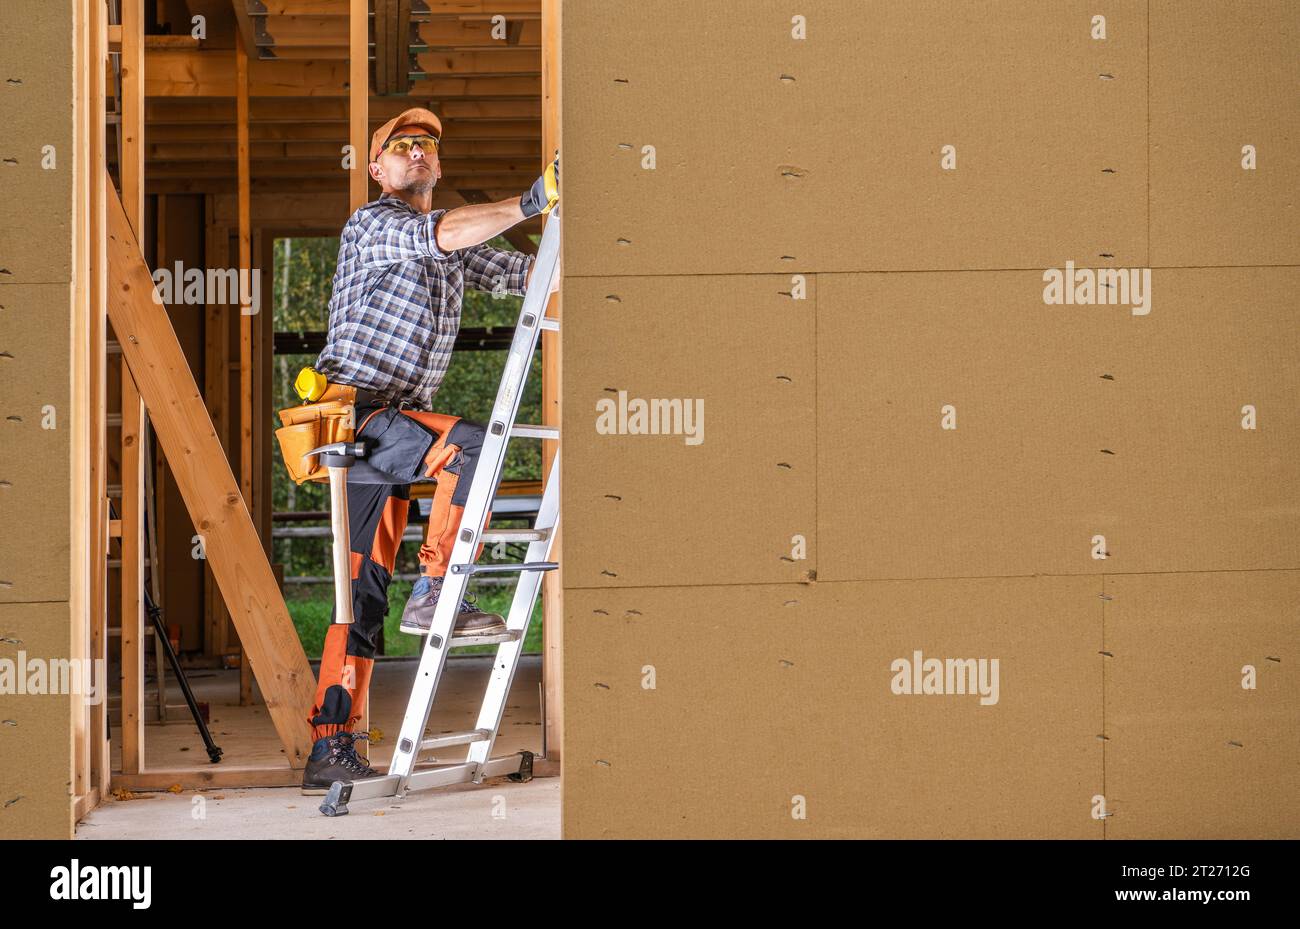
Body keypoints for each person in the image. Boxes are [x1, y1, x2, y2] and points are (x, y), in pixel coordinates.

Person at [299, 107, 559, 794]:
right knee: (467, 448)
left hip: (393, 425)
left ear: (438, 166)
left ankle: (332, 750)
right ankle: (437, 587)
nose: (416, 153)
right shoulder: (376, 225)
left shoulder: (450, 241)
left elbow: (521, 276)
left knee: (361, 594)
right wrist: (534, 199)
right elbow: (438, 234)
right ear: (377, 168)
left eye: (427, 146)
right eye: (401, 147)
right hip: (354, 420)